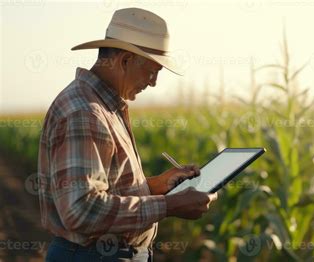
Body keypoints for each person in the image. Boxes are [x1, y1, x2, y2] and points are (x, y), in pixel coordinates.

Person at [37, 7, 217, 261]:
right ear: (124, 61)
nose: (153, 82)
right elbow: (81, 209)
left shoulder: (102, 106)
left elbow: (105, 189)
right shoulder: (84, 113)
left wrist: (155, 186)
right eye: (153, 71)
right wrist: (169, 205)